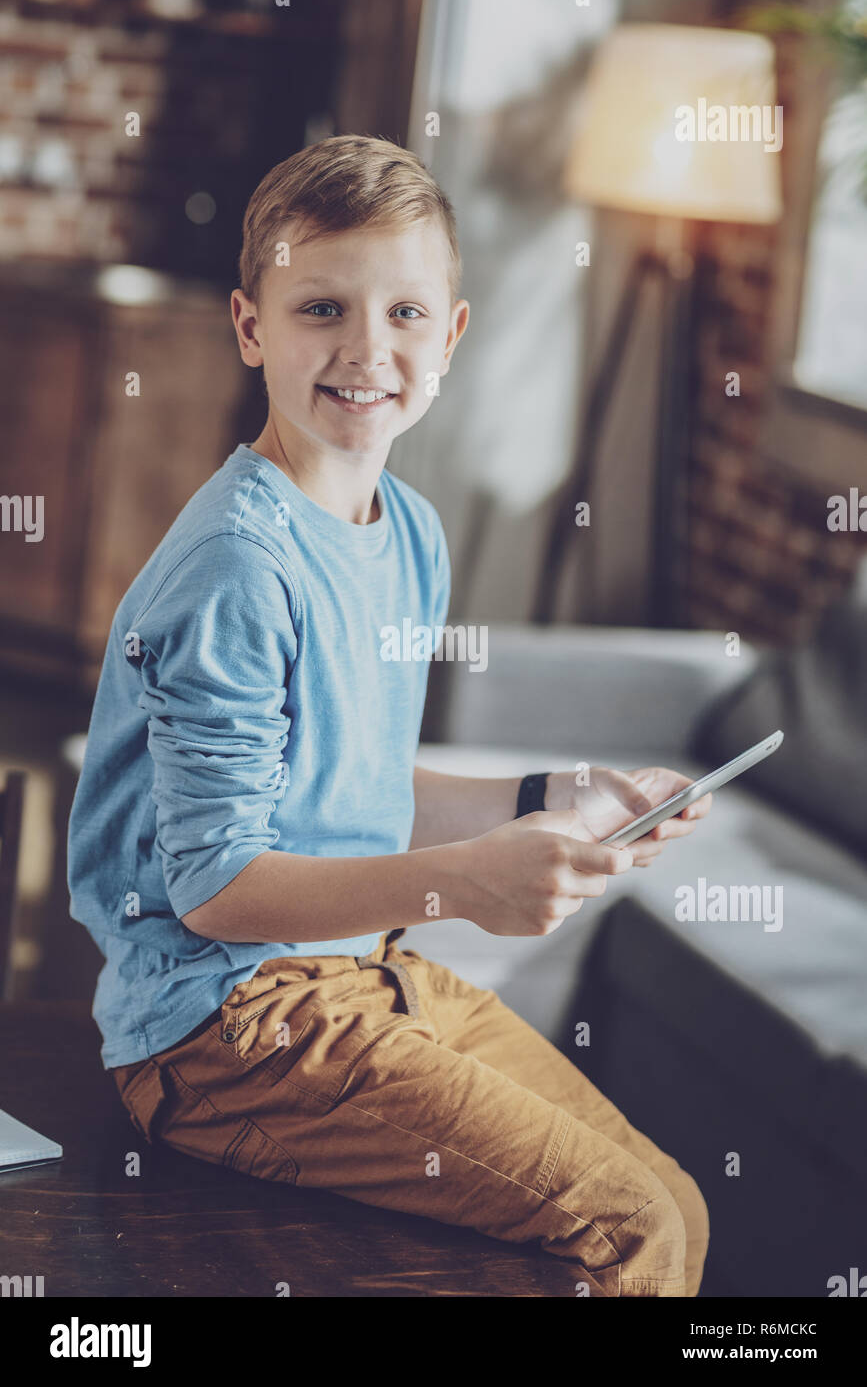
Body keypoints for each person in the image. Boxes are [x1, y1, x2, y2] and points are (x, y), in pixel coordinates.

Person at [68, 134, 711, 1297]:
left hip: (362, 975)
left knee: (678, 1207)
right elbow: (217, 889)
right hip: (222, 1032)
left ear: (451, 337)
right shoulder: (235, 569)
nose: (368, 350)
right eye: (323, 307)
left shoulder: (407, 531)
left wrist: (552, 796)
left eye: (407, 314)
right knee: (628, 1232)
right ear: (251, 325)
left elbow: (350, 789)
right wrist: (464, 882)